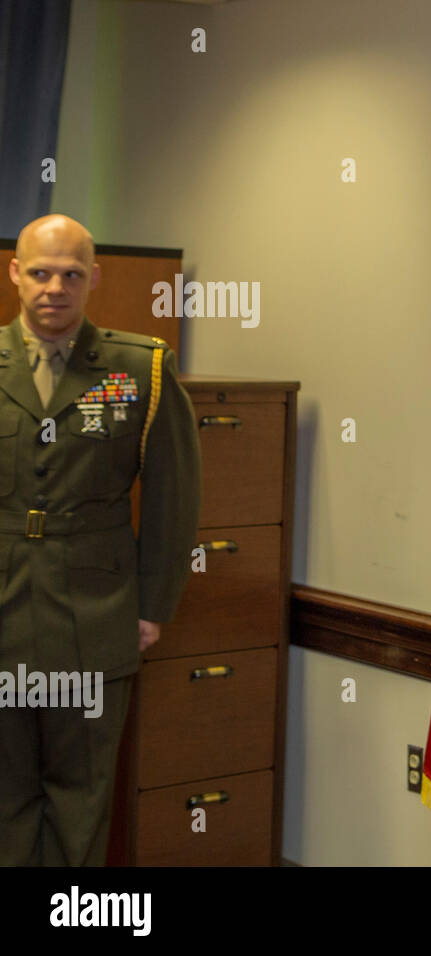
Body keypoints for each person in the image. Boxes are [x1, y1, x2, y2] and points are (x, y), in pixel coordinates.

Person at [0, 214, 201, 865]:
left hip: (95, 616)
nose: (54, 288)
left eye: (71, 274)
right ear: (14, 274)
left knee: (81, 794)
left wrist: (152, 606)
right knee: (5, 791)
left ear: (94, 279)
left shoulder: (136, 368)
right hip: (2, 611)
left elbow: (175, 496)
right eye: (40, 272)